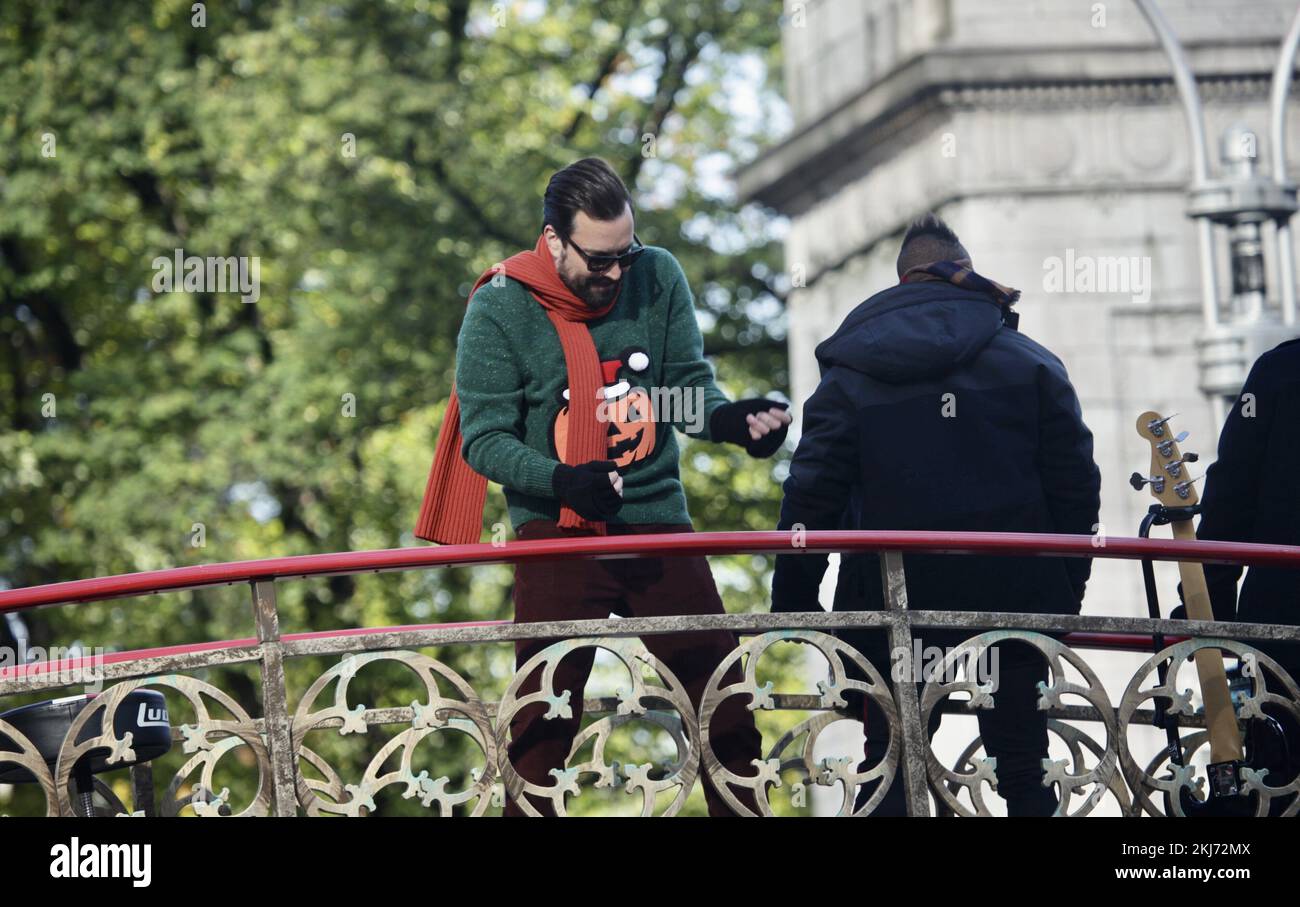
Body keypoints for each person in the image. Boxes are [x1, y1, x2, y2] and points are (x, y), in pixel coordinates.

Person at [414, 157, 791, 815]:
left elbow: (685, 393)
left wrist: (733, 421)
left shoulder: (657, 275)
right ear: (554, 239)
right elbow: (486, 438)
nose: (616, 273)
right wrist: (561, 480)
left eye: (626, 253)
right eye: (599, 259)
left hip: (655, 521)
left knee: (722, 693)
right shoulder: (500, 304)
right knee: (545, 716)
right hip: (557, 531)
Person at [771, 213, 1101, 816]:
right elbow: (1076, 485)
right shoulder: (1031, 363)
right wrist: (1065, 592)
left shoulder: (849, 374)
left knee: (892, 757)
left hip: (891, 595)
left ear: (901, 280)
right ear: (964, 274)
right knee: (1022, 759)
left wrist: (794, 597)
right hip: (1015, 592)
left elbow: (811, 495)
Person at [1185, 338, 1300, 807]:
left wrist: (1207, 605)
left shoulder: (1280, 370)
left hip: (1284, 610)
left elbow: (1232, 495)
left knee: (1278, 773)